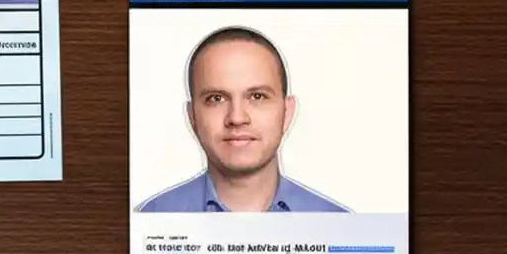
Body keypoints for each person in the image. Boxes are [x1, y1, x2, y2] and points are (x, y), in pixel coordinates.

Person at [137, 26, 349, 213]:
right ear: (192, 116)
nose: (237, 118)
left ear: (287, 112)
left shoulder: (339, 227)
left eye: (257, 96)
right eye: (216, 98)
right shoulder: (151, 220)